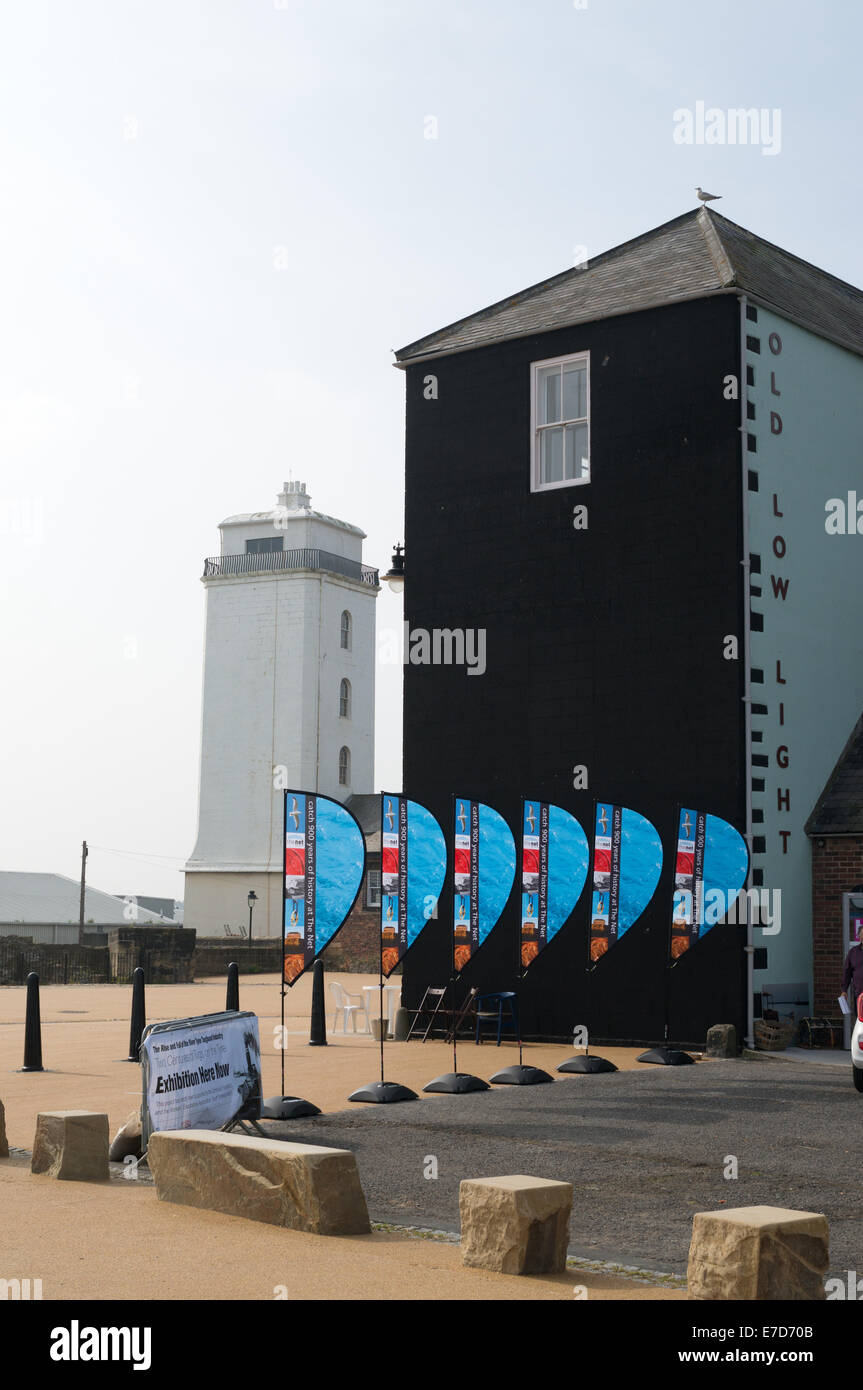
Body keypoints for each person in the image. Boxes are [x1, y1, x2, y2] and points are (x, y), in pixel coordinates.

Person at [841, 934, 863, 1017]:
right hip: (859, 996)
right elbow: (847, 972)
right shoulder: (853, 952)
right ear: (859, 937)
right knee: (860, 1023)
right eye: (862, 935)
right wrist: (844, 990)